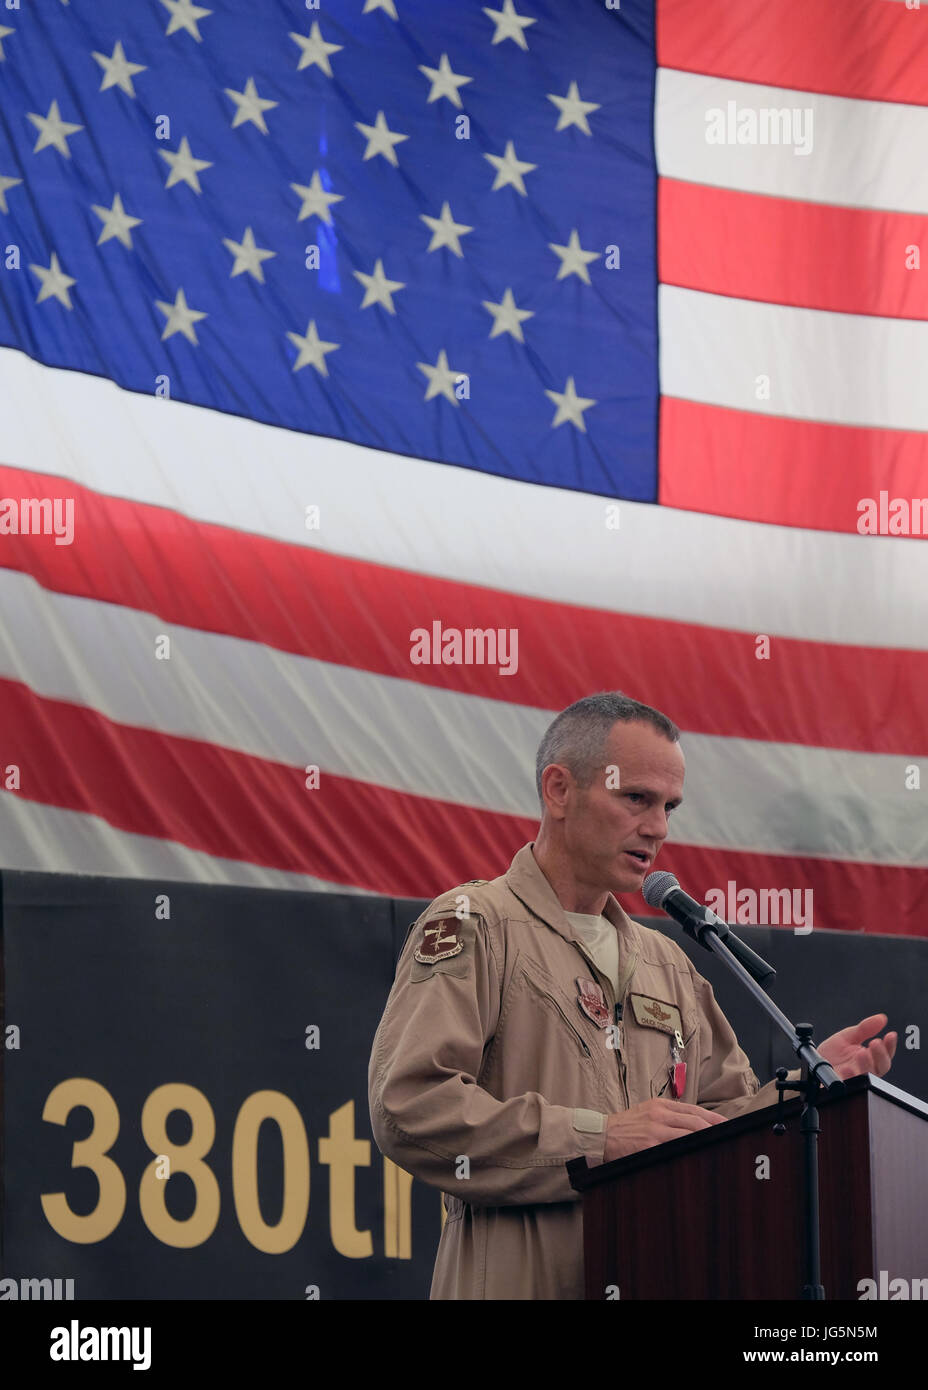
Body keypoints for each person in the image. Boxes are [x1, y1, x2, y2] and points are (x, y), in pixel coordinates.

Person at [367, 692, 898, 1299]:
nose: (658, 827)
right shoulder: (475, 923)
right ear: (559, 790)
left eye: (669, 806)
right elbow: (410, 1108)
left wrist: (799, 1094)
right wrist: (599, 1139)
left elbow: (714, 1133)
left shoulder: (667, 962)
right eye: (636, 799)